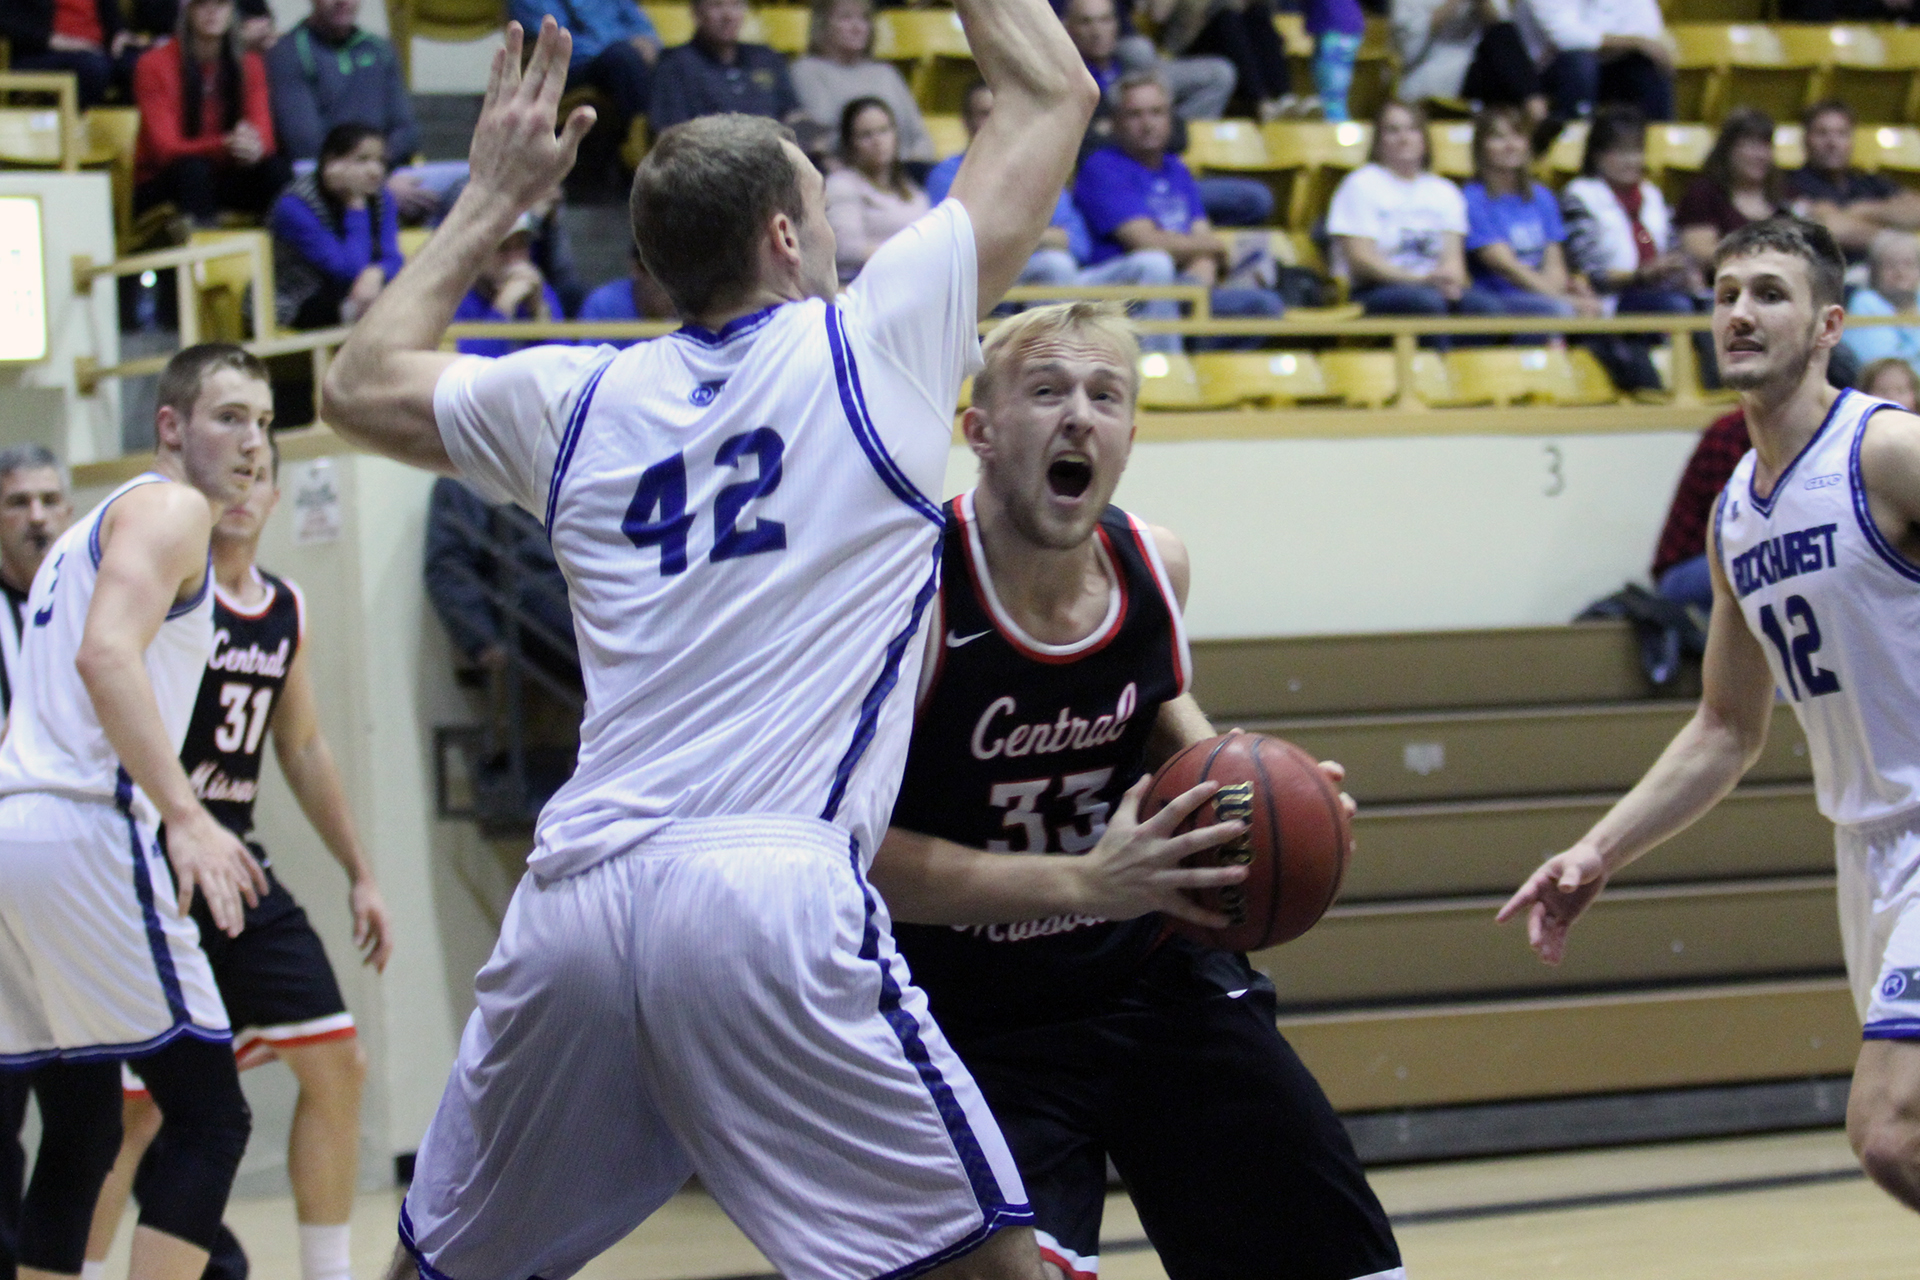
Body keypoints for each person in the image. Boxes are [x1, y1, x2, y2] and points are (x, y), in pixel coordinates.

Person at [322, 4, 1097, 1276]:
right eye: (828, 220)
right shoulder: (874, 342)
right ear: (788, 236)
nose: (848, 241)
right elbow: (1053, 91)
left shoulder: (572, 395)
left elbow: (355, 385)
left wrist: (492, 198)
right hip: (764, 887)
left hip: (573, 900)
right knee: (994, 1265)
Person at [870, 300, 1407, 1280]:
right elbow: (858, 860)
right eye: (1046, 390)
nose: (1079, 414)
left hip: (1152, 979)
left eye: (1104, 395)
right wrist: (1088, 880)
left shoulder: (1155, 563)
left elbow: (1157, 696)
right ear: (977, 430)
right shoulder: (908, 594)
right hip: (973, 1017)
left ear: (1128, 438)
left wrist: (1248, 792)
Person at [1500, 216, 1920, 1218]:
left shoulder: (1888, 448)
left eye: (1769, 292)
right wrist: (1597, 850)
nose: (1739, 311)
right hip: (1866, 853)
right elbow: (1726, 727)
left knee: (1889, 1130)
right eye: (1726, 291)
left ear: (1828, 325)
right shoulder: (1737, 510)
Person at [82, 442, 393, 1280]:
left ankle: (328, 1271)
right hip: (151, 853)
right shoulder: (172, 588)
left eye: (261, 473)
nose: (246, 489)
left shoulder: (286, 606)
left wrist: (360, 871)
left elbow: (302, 746)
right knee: (135, 1111)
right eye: (234, 467)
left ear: (279, 495)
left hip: (236, 862)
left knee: (337, 1059)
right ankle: (71, 1268)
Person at [0, 343, 270, 1280]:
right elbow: (106, 657)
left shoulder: (80, 537)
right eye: (230, 418)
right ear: (169, 426)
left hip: (13, 835)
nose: (252, 446)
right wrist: (187, 815)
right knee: (209, 1114)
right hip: (82, 826)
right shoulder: (170, 508)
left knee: (79, 1126)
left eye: (266, 425)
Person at [0, 448, 75, 1280]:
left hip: (70, 884)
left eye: (52, 499)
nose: (38, 516)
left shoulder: (87, 605)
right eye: (18, 501)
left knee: (102, 1107)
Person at [1074, 72, 1284, 345]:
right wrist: (1213, 250)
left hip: (1185, 285)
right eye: (1134, 115)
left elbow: (1202, 235)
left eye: (1157, 113)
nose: (1148, 124)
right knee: (1158, 265)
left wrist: (1203, 265)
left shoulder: (1175, 168)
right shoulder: (1102, 167)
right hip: (1127, 294)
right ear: (1115, 122)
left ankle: (1200, 374)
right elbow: (1145, 242)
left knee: (1263, 306)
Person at [1328, 98, 1501, 326]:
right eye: (1393, 130)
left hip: (1432, 286)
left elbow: (1454, 261)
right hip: (1375, 289)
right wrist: (1419, 281)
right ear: (1379, 142)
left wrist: (1447, 281)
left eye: (1412, 129)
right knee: (1427, 303)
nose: (1404, 138)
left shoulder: (1444, 191)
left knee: (1486, 308)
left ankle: (1457, 362)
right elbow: (1361, 261)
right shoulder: (1360, 184)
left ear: (1425, 140)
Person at [1560, 105, 1695, 390]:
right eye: (1620, 152)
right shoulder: (1581, 196)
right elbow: (1589, 270)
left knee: (1704, 306)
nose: (1630, 160)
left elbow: (1672, 249)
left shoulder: (1652, 194)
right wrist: (1641, 275)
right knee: (1677, 307)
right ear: (1597, 155)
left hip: (1658, 293)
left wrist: (1683, 270)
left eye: (1636, 151)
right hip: (1611, 300)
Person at [266, 0, 437, 222]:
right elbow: (305, 143)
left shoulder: (380, 48)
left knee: (457, 194)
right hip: (323, 188)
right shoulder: (288, 52)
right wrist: (376, 184)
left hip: (387, 175)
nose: (343, 2)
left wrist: (376, 174)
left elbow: (406, 130)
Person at [132, 0, 289, 226]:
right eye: (202, 3)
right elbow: (164, 150)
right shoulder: (154, 64)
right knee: (193, 170)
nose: (212, 10)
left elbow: (265, 137)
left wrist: (254, 147)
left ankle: (281, 254)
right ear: (187, 9)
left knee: (274, 169)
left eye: (221, 3)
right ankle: (203, 257)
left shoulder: (250, 63)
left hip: (223, 174)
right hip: (165, 181)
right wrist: (224, 145)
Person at [423, 477, 577, 679]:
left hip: (580, 581)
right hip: (535, 597)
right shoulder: (463, 475)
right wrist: (483, 640)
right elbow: (448, 566)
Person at [1463, 105, 1596, 317]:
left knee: (1595, 308)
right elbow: (1506, 266)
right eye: (1498, 137)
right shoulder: (1472, 199)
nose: (1510, 145)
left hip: (1544, 294)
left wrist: (1566, 297)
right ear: (1481, 147)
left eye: (1517, 136)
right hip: (1498, 297)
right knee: (1560, 311)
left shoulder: (1542, 196)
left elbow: (1554, 262)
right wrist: (1561, 300)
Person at [271, 122, 405, 329]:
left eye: (380, 161)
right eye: (362, 160)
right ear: (332, 163)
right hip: (297, 299)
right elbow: (346, 268)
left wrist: (376, 273)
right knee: (368, 309)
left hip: (360, 292)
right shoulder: (295, 205)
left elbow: (393, 257)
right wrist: (355, 204)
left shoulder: (382, 198)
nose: (375, 171)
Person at [792, 0, 936, 165]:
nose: (857, 28)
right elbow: (821, 139)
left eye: (864, 19)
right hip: (844, 175)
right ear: (822, 25)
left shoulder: (887, 73)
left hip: (900, 174)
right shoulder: (807, 71)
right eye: (845, 18)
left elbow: (919, 137)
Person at [511, 0, 661, 152]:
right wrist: (626, 47)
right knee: (622, 58)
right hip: (572, 67)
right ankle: (649, 144)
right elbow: (554, 42)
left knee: (677, 60)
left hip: (623, 57)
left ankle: (662, 136)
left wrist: (648, 43)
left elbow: (639, 22)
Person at [1061, 0, 1233, 124]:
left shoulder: (1131, 57)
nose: (1097, 31)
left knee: (1220, 73)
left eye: (1105, 20)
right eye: (1086, 22)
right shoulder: (1071, 78)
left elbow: (1157, 14)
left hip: (1132, 69)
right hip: (1114, 134)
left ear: (1116, 24)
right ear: (1069, 29)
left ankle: (1170, 132)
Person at [1791, 101, 1920, 263]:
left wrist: (1864, 210)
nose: (1832, 143)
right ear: (1805, 139)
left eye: (1842, 134)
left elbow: (1916, 209)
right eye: (1822, 133)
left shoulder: (1867, 180)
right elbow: (1830, 229)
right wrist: (1893, 238)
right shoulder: (1792, 183)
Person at [648, 0, 803, 133]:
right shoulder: (675, 65)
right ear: (696, 12)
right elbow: (669, 135)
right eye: (717, 5)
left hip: (776, 158)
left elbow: (794, 115)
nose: (728, 16)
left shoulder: (767, 58)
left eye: (736, 5)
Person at [1648, 407, 1747, 611]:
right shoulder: (1730, 433)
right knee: (1763, 565)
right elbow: (1739, 527)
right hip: (1686, 570)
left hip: (1723, 558)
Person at [1512, 0, 1673, 122]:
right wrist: (1636, 42)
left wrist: (1641, 44)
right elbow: (1567, 37)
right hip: (1545, 70)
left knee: (1649, 63)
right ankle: (1573, 137)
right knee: (1580, 63)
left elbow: (1648, 30)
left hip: (1607, 64)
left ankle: (1656, 143)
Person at [827, 98, 932, 283]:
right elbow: (847, 250)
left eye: (884, 131)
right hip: (859, 284)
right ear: (850, 143)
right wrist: (911, 258)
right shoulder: (840, 185)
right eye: (865, 135)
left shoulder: (912, 190)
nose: (877, 141)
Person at [1675, 108, 1791, 274]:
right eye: (1751, 146)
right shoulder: (1703, 193)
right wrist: (1761, 258)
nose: (1760, 155)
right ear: (1728, 150)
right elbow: (1699, 252)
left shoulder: (1782, 193)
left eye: (1765, 146)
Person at [1391, 0, 1544, 119]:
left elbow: (1500, 30)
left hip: (1479, 59)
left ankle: (1533, 106)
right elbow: (1406, 49)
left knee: (1503, 36)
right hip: (1431, 64)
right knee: (1509, 82)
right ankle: (1534, 109)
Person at [1153, 0, 1294, 123]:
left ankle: (1285, 98)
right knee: (1227, 18)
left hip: (1230, 48)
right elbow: (1158, 14)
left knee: (1258, 14)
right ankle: (1262, 104)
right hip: (1185, 50)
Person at [450, 216, 565, 357]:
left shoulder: (539, 290)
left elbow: (561, 365)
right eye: (503, 248)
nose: (514, 259)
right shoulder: (454, 298)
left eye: (521, 246)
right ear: (476, 253)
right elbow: (469, 367)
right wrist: (504, 305)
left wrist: (539, 312)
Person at [0, 0, 141, 107]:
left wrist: (119, 33)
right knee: (94, 68)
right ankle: (72, 129)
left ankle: (119, 134)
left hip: (99, 50)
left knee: (140, 64)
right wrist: (53, 40)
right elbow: (8, 20)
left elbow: (110, 15)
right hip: (41, 51)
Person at [1842, 231, 1920, 379]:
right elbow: (1886, 369)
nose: (1900, 272)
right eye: (1891, 266)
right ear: (1875, 272)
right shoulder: (1865, 303)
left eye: (1909, 264)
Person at [578, 247, 679, 340]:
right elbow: (593, 357)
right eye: (665, 278)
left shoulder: (689, 306)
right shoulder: (606, 303)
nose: (673, 294)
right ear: (638, 269)